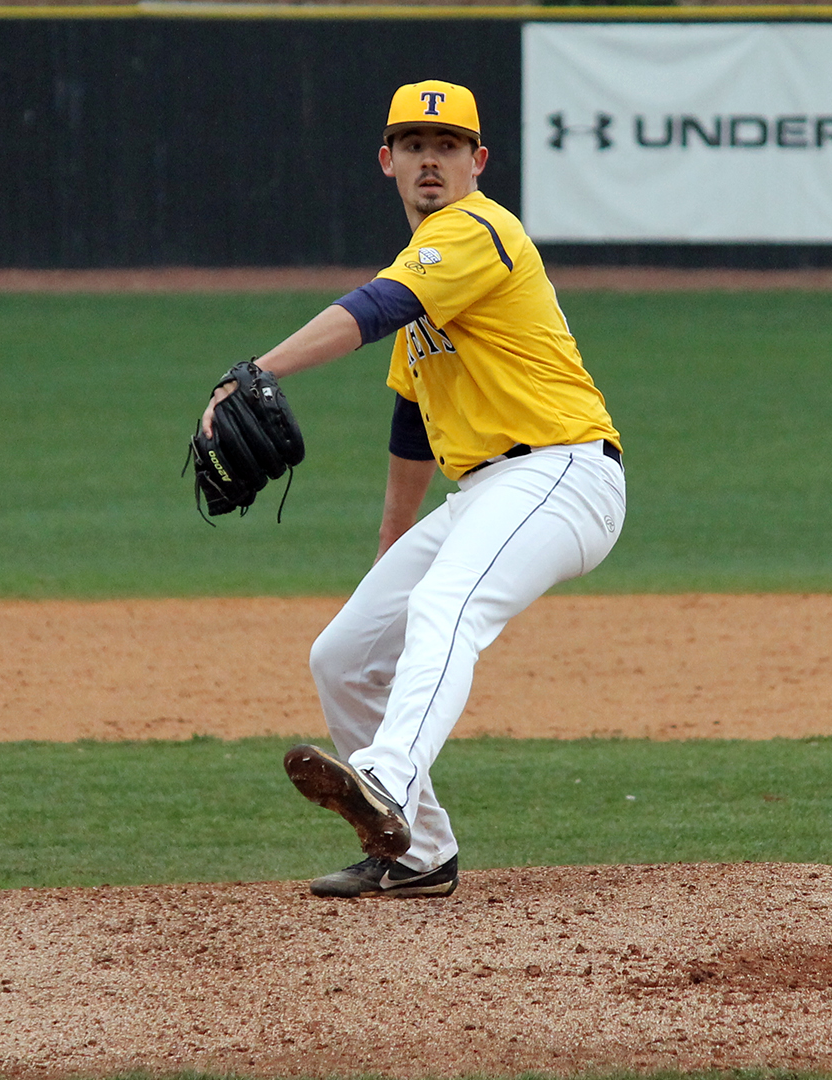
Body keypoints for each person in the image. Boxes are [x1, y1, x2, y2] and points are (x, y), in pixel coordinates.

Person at [200, 79, 626, 899]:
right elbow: (411, 418)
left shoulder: (476, 228)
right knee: (345, 657)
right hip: (489, 492)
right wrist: (395, 544)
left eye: (450, 147)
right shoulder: (426, 265)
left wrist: (259, 369)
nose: (433, 161)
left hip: (563, 472)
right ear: (387, 161)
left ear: (478, 163)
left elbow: (376, 307)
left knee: (446, 609)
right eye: (416, 146)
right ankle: (418, 851)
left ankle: (386, 777)